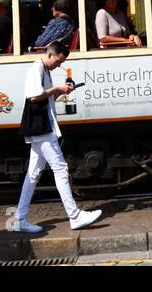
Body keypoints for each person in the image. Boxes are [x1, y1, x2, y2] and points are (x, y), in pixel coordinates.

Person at [8, 42, 102, 234]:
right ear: (51, 54)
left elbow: (44, 98)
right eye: (59, 61)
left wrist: (60, 91)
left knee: (33, 174)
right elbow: (34, 96)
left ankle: (19, 219)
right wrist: (55, 88)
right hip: (42, 129)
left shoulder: (44, 70)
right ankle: (74, 216)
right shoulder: (36, 69)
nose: (59, 65)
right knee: (60, 169)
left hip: (42, 127)